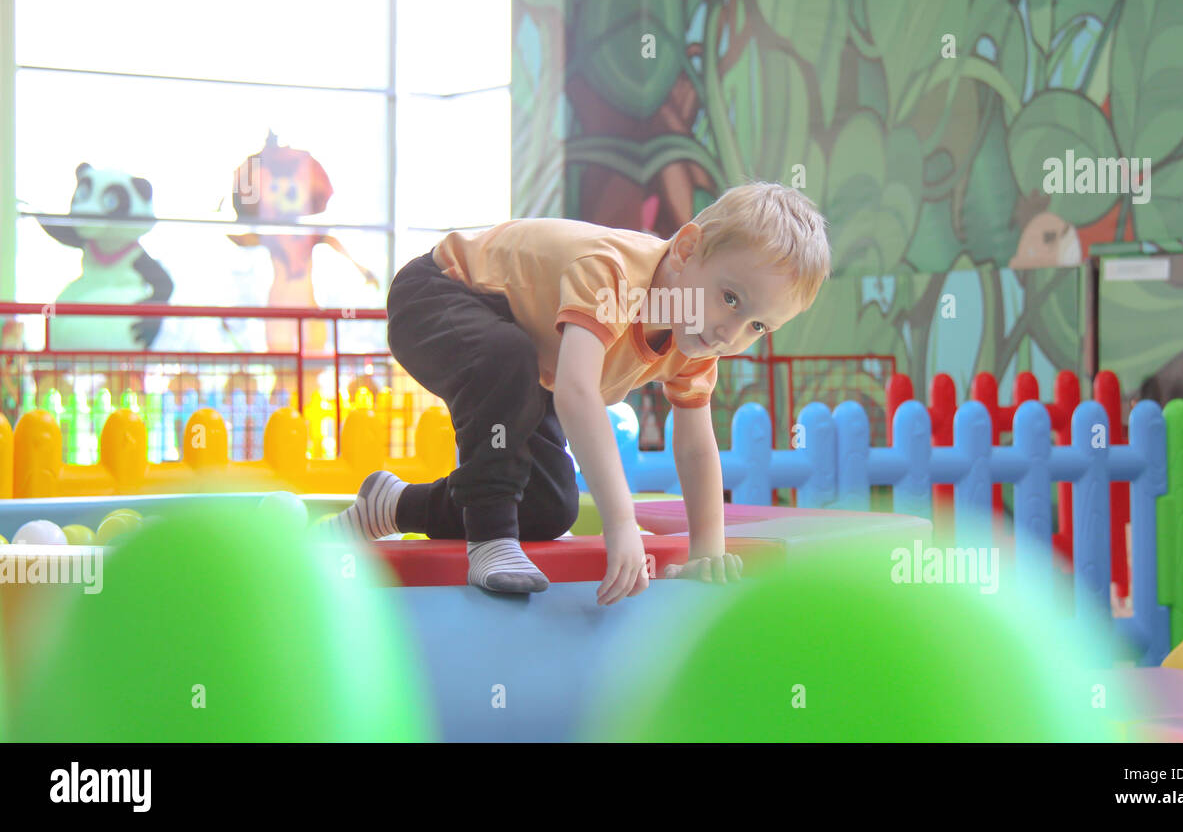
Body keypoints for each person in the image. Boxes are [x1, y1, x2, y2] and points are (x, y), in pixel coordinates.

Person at [315, 181, 831, 605]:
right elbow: (577, 393)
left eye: (757, 325)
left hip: (526, 361)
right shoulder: (614, 273)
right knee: (506, 356)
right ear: (687, 249)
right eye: (730, 298)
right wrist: (621, 524)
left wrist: (707, 553)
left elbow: (697, 446)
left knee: (548, 506)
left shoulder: (697, 339)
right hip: (439, 293)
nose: (730, 332)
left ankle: (392, 506)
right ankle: (490, 539)